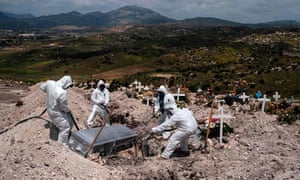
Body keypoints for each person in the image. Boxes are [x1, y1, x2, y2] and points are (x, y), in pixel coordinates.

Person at [40, 75, 73, 144]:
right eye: (68, 86)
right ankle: (61, 145)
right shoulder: (62, 92)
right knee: (65, 127)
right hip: (56, 112)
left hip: (50, 109)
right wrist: (68, 110)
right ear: (66, 83)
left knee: (67, 121)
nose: (68, 88)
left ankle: (60, 133)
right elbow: (63, 106)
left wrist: (50, 94)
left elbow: (42, 87)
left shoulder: (51, 83)